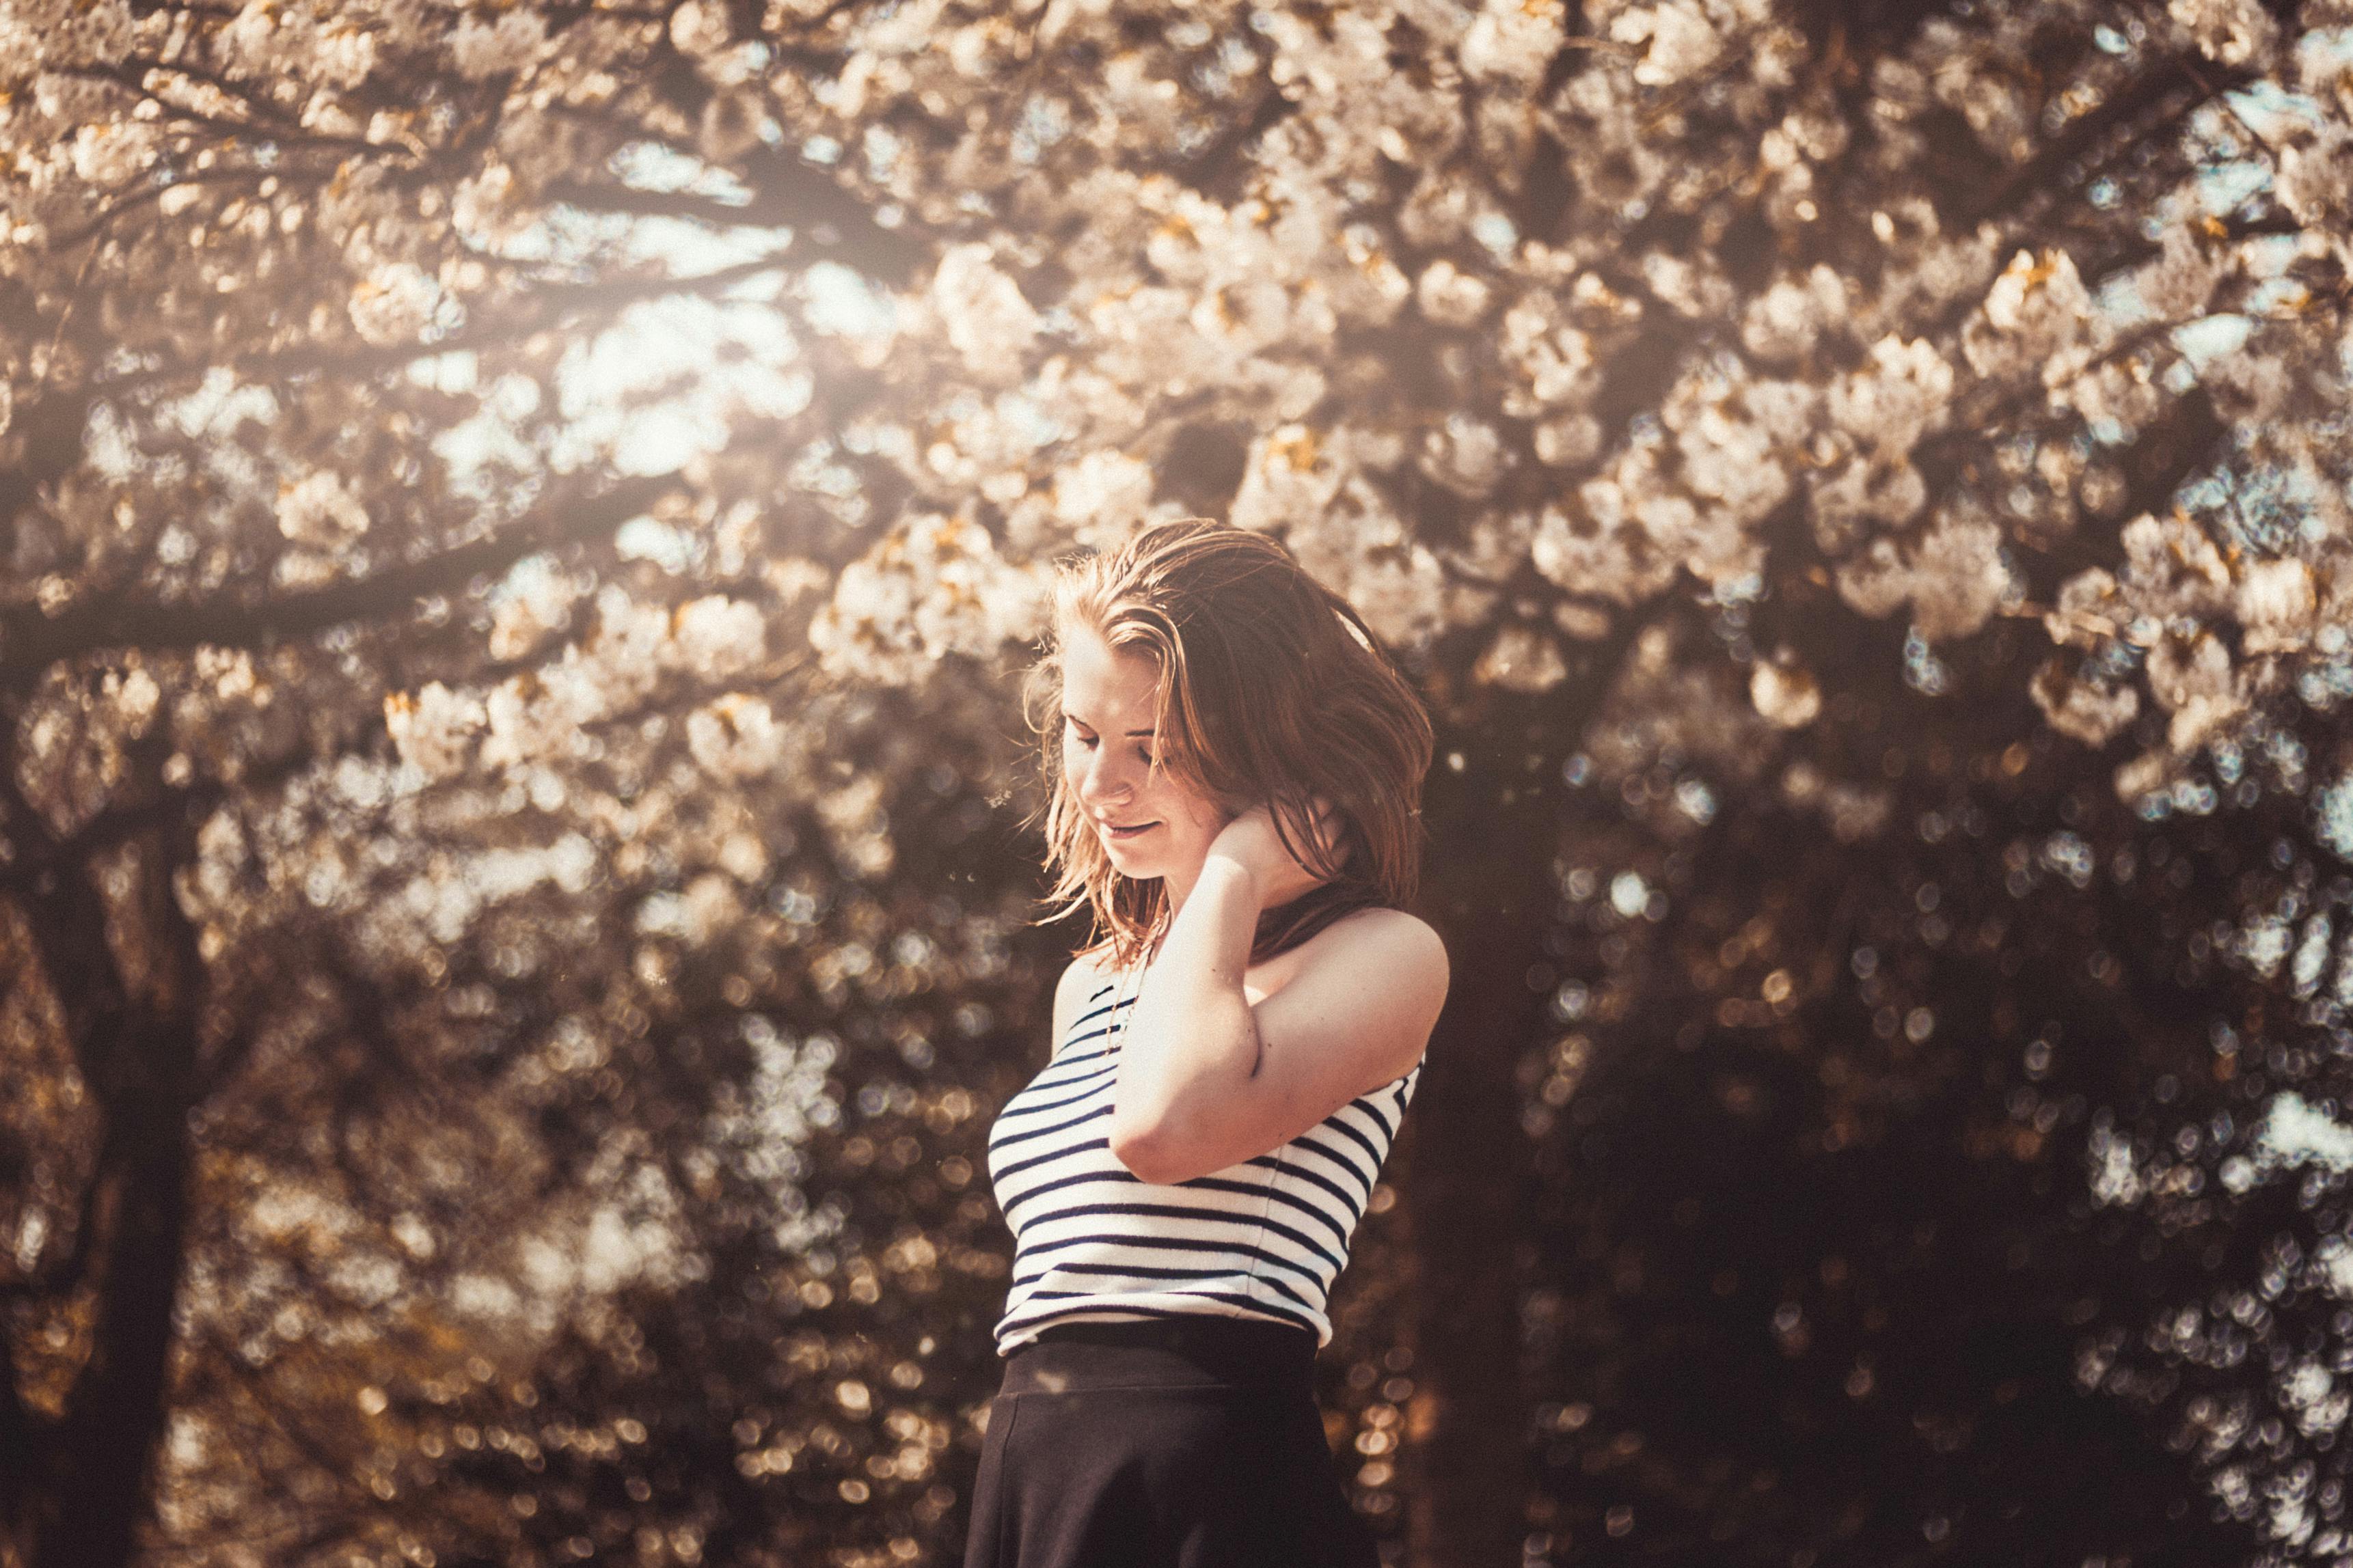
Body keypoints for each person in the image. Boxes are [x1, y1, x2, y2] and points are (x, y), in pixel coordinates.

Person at [964, 519, 1451, 1568]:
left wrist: (1235, 865)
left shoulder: (1384, 954)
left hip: (1213, 1486)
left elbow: (1164, 1125)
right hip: (1034, 1472)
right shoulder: (1092, 987)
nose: (1100, 787)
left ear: (1270, 756)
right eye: (1086, 734)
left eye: (1158, 751)